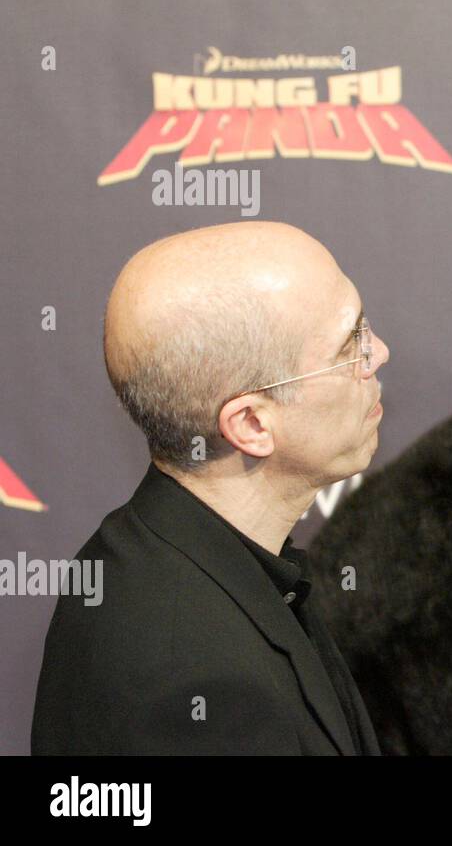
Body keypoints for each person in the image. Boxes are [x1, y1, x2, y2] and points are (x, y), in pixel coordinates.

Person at [31, 221, 390, 754]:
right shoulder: (191, 682)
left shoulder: (178, 558)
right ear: (251, 425)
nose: (378, 352)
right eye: (349, 343)